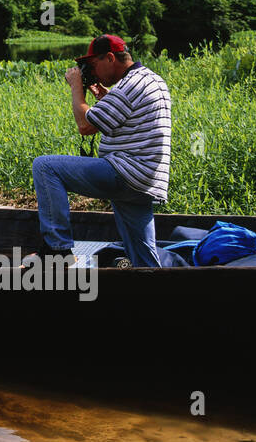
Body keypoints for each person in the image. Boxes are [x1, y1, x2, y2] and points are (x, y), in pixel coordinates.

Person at [32, 34, 172, 268]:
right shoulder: (148, 79)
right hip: (145, 181)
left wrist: (77, 88)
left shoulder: (130, 85)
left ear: (109, 58)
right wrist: (106, 99)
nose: (92, 72)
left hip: (126, 173)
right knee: (143, 259)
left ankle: (57, 250)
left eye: (94, 65)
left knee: (45, 166)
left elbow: (85, 127)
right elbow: (128, 119)